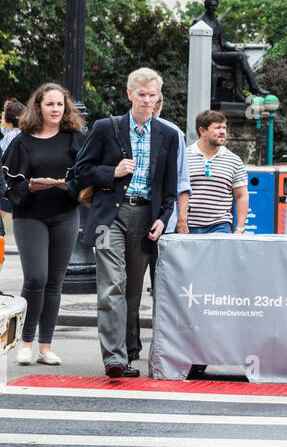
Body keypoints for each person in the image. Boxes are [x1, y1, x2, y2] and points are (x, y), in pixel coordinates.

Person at [72, 68, 182, 378]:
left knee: (132, 292)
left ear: (158, 98)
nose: (147, 101)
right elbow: (82, 170)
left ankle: (130, 351)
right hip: (110, 217)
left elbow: (170, 189)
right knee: (111, 287)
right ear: (130, 94)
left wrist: (163, 219)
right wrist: (113, 171)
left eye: (152, 96)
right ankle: (114, 358)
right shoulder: (107, 128)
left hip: (146, 217)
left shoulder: (168, 135)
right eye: (142, 95)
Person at [2, 83, 85, 366]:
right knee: (36, 277)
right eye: (50, 104)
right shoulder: (22, 141)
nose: (55, 109)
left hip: (65, 214)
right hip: (30, 215)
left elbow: (86, 176)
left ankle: (45, 346)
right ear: (38, 107)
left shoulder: (75, 139)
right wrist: (32, 186)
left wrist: (69, 185)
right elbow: (11, 185)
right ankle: (26, 342)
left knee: (54, 282)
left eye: (60, 104)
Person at [186, 109, 249, 234]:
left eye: (224, 128)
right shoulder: (183, 156)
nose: (222, 132)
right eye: (217, 128)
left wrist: (240, 228)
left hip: (220, 225)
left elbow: (242, 195)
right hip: (188, 225)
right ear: (202, 131)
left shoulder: (234, 160)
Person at [153, 91, 192, 233]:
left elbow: (182, 179)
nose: (151, 105)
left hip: (164, 219)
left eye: (156, 101)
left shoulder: (173, 133)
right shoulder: (121, 128)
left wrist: (182, 220)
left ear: (161, 104)